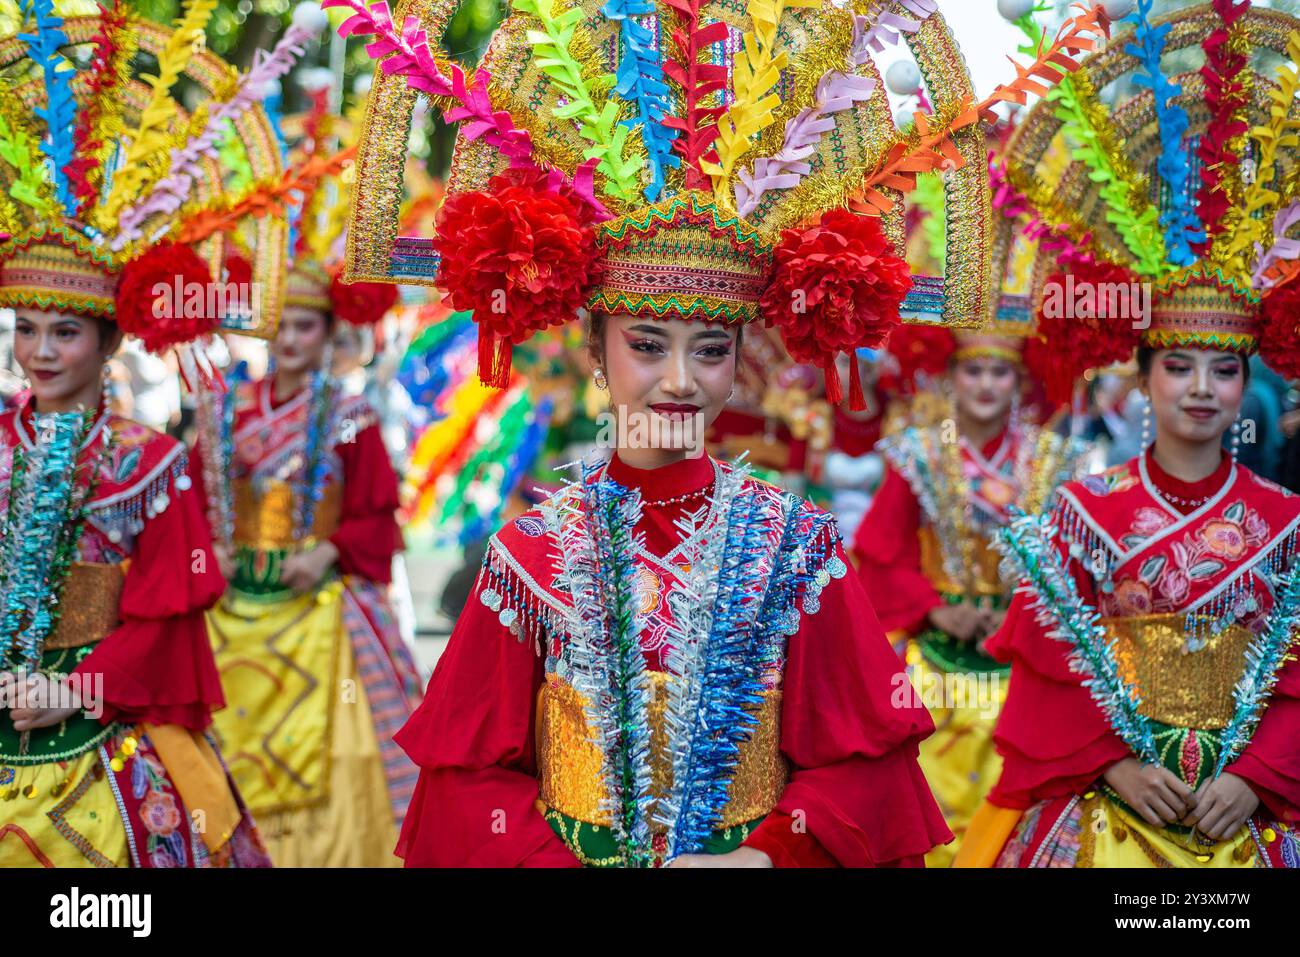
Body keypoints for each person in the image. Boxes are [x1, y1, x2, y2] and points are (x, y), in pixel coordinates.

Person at [322, 0, 1075, 866]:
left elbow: (856, 771)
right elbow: (470, 787)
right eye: (648, 344)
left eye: (709, 347)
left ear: (737, 356)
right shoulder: (528, 557)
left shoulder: (798, 547)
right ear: (597, 351)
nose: (680, 378)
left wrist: (761, 856)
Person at [956, 0, 1300, 867]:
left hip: (1248, 811)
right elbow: (1043, 669)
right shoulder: (1082, 511)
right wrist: (1112, 760)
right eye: (1178, 365)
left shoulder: (1286, 521)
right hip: (1109, 809)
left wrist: (1257, 774)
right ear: (1141, 373)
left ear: (1247, 379)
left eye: (1224, 369)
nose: (1202, 388)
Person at [0, 0, 304, 865]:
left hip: (99, 727)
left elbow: (169, 616)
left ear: (111, 340)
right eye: (27, 328)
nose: (40, 351)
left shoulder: (150, 461)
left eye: (64, 331)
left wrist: (72, 687)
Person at [195, 262, 422, 867]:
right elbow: (193, 503)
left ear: (327, 335)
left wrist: (328, 550)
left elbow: (377, 514)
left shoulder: (353, 416)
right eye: (282, 326)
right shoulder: (226, 412)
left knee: (341, 749)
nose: (291, 340)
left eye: (306, 327)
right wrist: (210, 551)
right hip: (231, 604)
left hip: (320, 602)